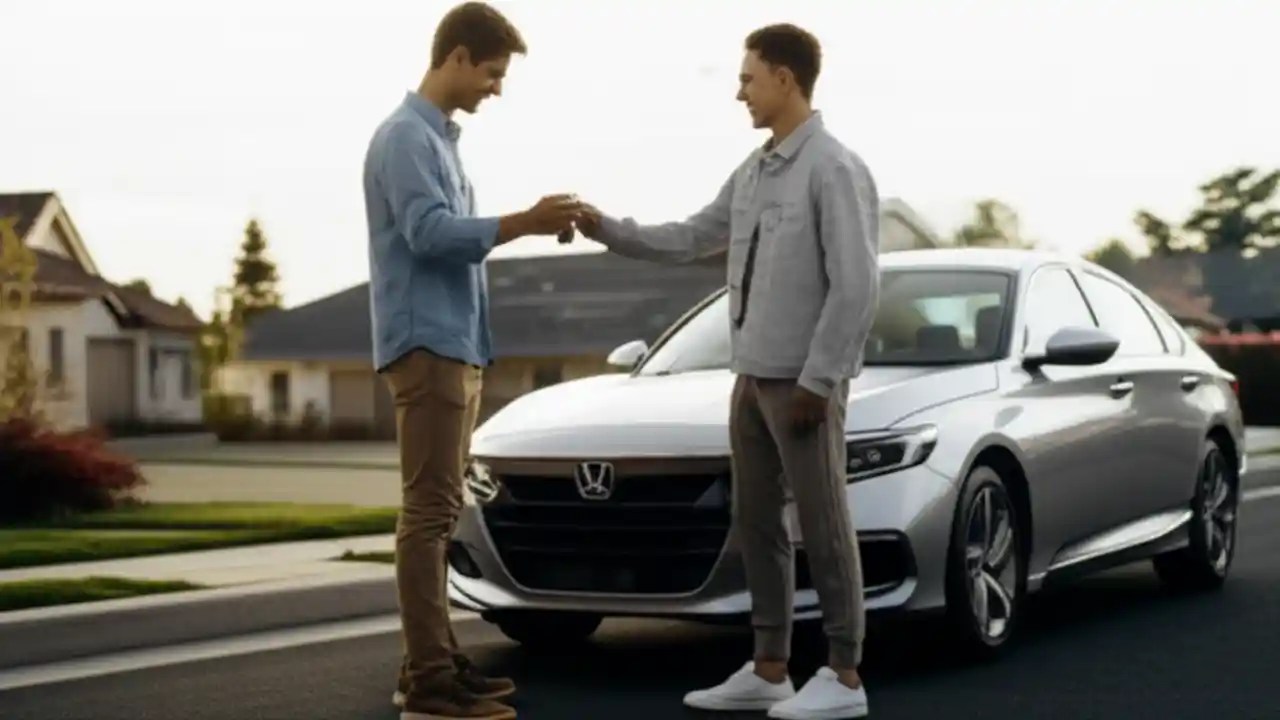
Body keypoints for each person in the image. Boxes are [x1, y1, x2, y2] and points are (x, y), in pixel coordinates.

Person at [573, 22, 880, 720]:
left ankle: (844, 675)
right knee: (757, 522)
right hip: (750, 378)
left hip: (802, 384)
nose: (739, 91)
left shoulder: (833, 167)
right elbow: (688, 238)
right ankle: (770, 667)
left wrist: (819, 379)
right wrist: (605, 228)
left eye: (748, 77)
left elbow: (857, 285)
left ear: (785, 78)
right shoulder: (754, 171)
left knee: (825, 524)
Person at [361, 3, 584, 719]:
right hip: (427, 349)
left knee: (441, 509)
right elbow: (428, 236)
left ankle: (432, 664)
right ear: (457, 57)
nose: (496, 87)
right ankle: (429, 684)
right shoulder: (404, 139)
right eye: (492, 73)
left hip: (454, 346)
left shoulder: (439, 143)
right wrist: (524, 222)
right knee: (427, 514)